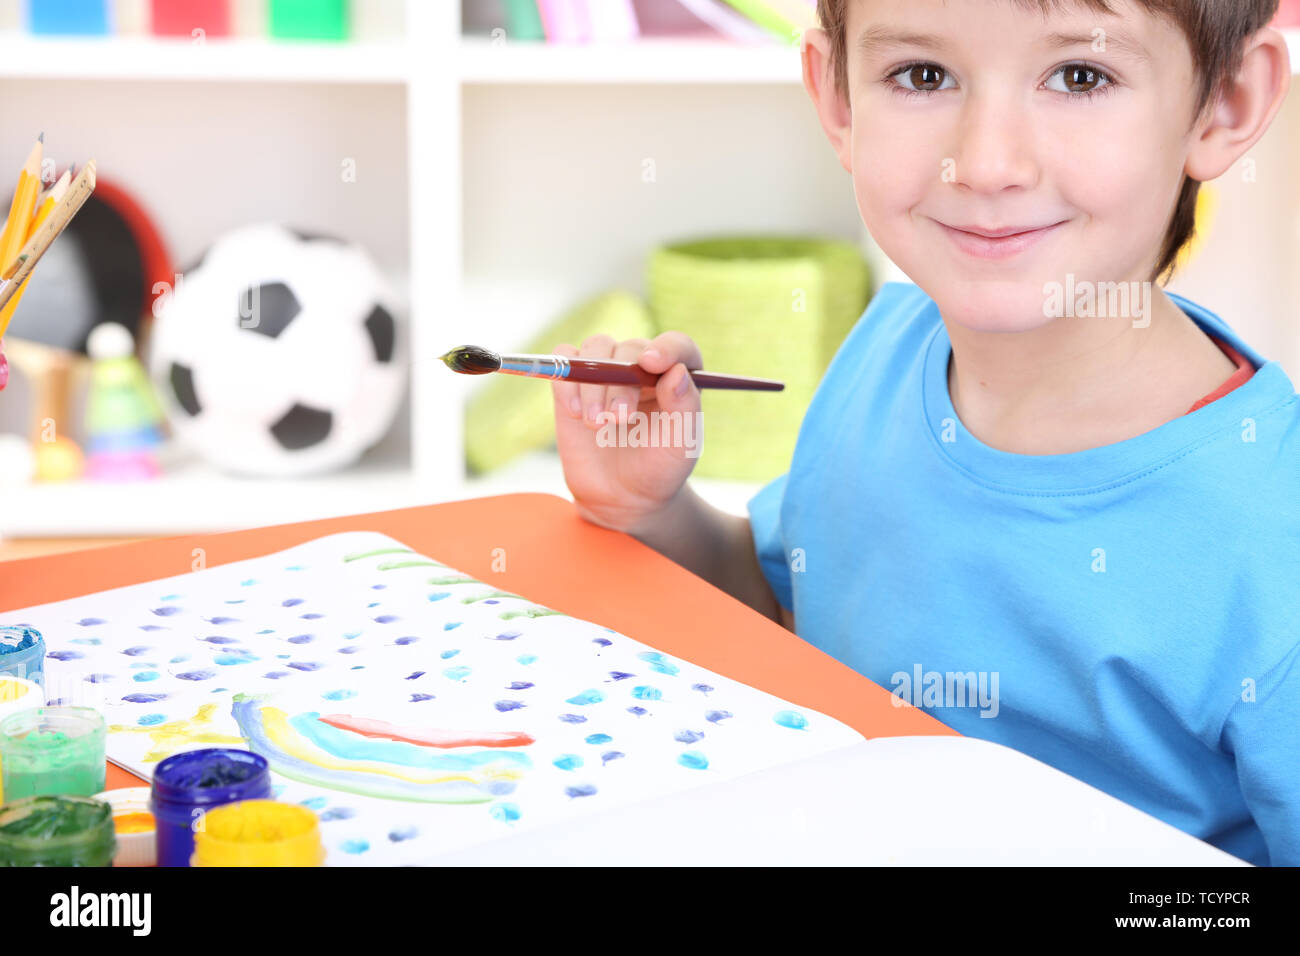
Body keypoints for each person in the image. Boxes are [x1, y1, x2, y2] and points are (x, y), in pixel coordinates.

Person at [550, 0, 1298, 865]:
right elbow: (793, 602)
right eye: (923, 75)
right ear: (837, 98)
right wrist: (651, 510)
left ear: (1227, 103)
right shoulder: (884, 349)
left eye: (1080, 76)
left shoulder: (1273, 536)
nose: (984, 163)